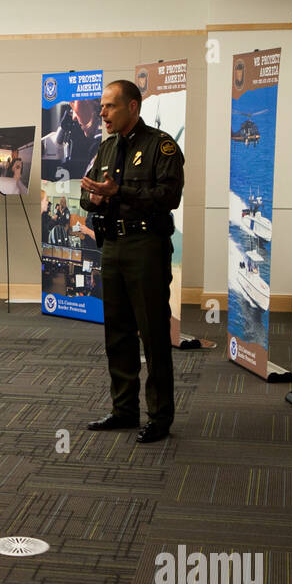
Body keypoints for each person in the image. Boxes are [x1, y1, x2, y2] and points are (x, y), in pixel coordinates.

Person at [80, 79, 183, 443]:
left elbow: (169, 195)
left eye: (109, 106)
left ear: (132, 107)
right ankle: (124, 410)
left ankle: (159, 416)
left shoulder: (162, 146)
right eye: (102, 106)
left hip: (146, 247)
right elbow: (86, 193)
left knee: (153, 334)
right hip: (113, 247)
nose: (102, 113)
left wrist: (118, 192)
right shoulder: (106, 148)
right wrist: (93, 199)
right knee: (118, 332)